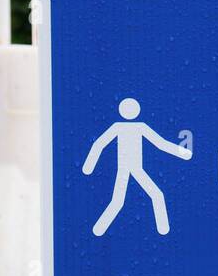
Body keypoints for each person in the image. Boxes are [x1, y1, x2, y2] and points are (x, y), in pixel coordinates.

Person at [82, 97, 192, 236]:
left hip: (134, 169)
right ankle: (98, 231)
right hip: (128, 168)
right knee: (153, 195)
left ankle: (99, 230)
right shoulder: (124, 127)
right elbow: (161, 144)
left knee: (122, 200)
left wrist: (89, 167)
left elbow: (99, 144)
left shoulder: (131, 127)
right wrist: (184, 153)